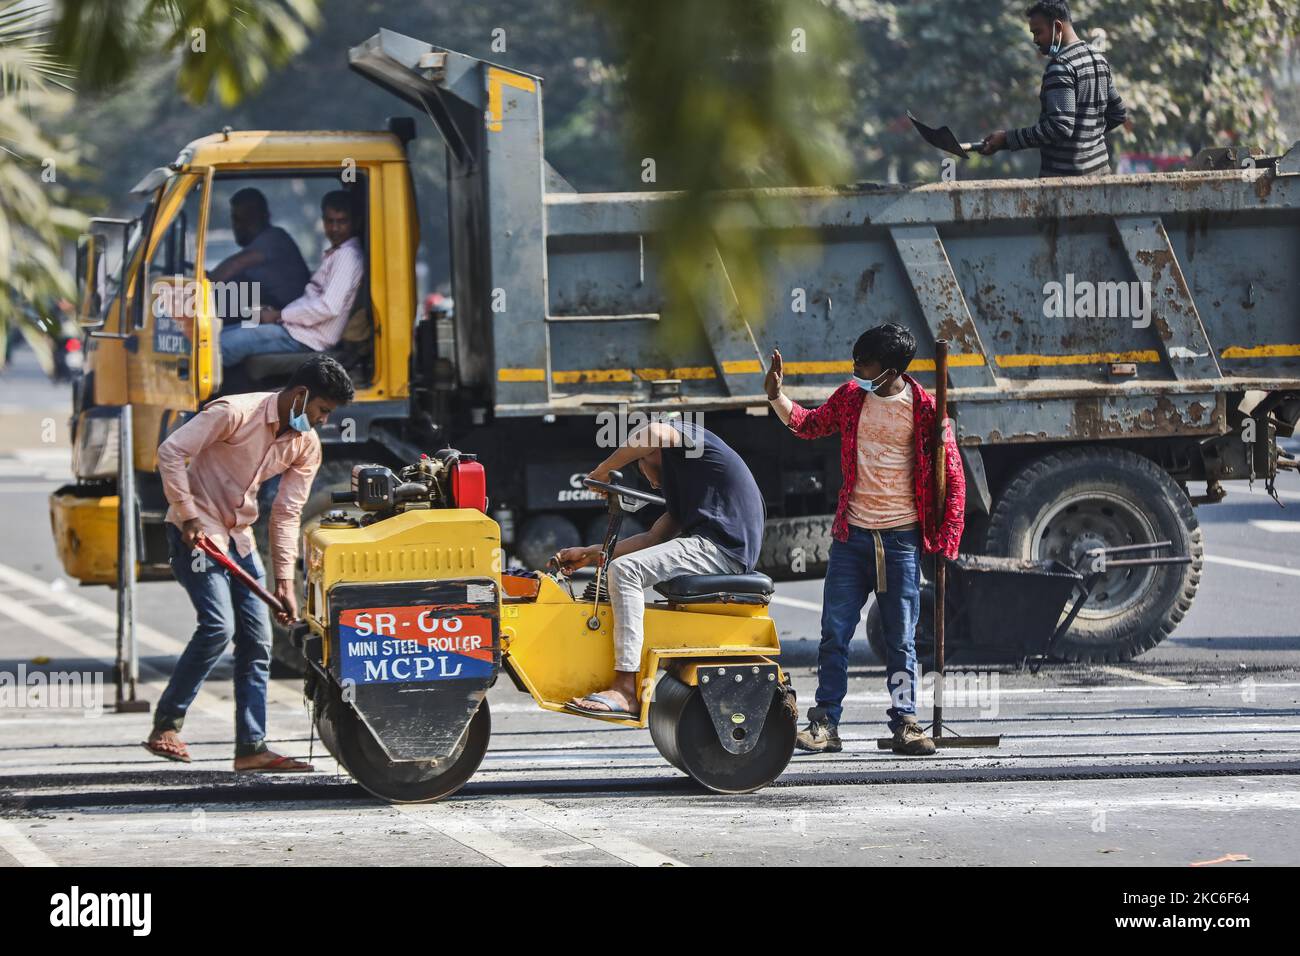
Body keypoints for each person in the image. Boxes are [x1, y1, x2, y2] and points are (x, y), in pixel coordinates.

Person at [143, 355, 355, 770]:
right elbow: (170, 452)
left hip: (239, 541)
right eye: (322, 410)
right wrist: (186, 513)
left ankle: (250, 748)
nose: (324, 421)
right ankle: (166, 725)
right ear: (300, 395)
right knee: (217, 627)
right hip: (196, 535)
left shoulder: (305, 443)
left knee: (258, 642)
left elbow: (287, 515)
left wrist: (284, 583)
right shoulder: (233, 413)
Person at [765, 324, 964, 757]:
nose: (855, 369)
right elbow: (809, 425)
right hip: (851, 537)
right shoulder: (851, 398)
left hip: (902, 540)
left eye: (863, 364)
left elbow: (954, 479)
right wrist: (777, 396)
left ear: (890, 369)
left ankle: (906, 724)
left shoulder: (927, 410)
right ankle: (825, 724)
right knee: (834, 634)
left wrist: (946, 543)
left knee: (901, 639)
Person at [554, 419, 766, 716]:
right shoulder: (688, 484)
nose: (651, 482)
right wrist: (591, 555)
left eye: (639, 465)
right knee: (623, 566)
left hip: (722, 549)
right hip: (714, 547)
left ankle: (626, 689)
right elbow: (653, 538)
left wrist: (602, 470)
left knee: (626, 571)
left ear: (650, 453)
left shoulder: (692, 443)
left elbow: (652, 432)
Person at [978, 1, 1127, 176]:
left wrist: (1007, 138)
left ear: (1057, 26)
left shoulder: (1061, 67)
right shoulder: (1098, 59)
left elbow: (1060, 127)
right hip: (1101, 177)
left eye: (1038, 32)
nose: (1035, 40)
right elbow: (1118, 114)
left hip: (1066, 186)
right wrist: (1087, 137)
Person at [220, 191, 364, 367]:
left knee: (221, 346)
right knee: (222, 334)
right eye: (329, 221)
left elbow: (328, 307)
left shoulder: (347, 256)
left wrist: (279, 315)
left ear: (355, 222)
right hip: (298, 330)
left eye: (341, 222)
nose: (334, 228)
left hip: (309, 338)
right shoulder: (337, 253)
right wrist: (279, 314)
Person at [207, 188, 310, 323]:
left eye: (247, 219)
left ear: (264, 216)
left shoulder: (275, 238)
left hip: (284, 320)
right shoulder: (261, 248)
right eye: (236, 219)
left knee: (217, 339)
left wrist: (201, 284)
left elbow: (235, 264)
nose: (239, 226)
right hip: (268, 314)